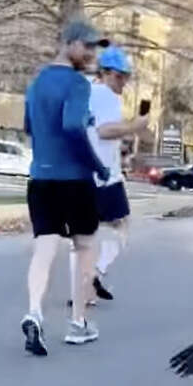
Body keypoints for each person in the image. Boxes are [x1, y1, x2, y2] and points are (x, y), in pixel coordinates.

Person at [20, 18, 110, 356]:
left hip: (40, 179)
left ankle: (34, 312)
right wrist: (96, 165)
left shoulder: (36, 83)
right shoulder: (77, 84)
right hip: (74, 180)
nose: (90, 54)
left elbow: (29, 126)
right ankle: (78, 323)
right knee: (85, 247)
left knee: (44, 246)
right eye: (86, 46)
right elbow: (73, 127)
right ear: (69, 43)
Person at [67, 46, 148, 307]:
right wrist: (134, 126)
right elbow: (104, 131)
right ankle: (94, 275)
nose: (123, 81)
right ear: (108, 73)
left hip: (82, 174)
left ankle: (82, 287)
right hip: (103, 177)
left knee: (84, 236)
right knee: (121, 228)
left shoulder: (86, 90)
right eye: (120, 76)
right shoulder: (106, 94)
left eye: (126, 76)